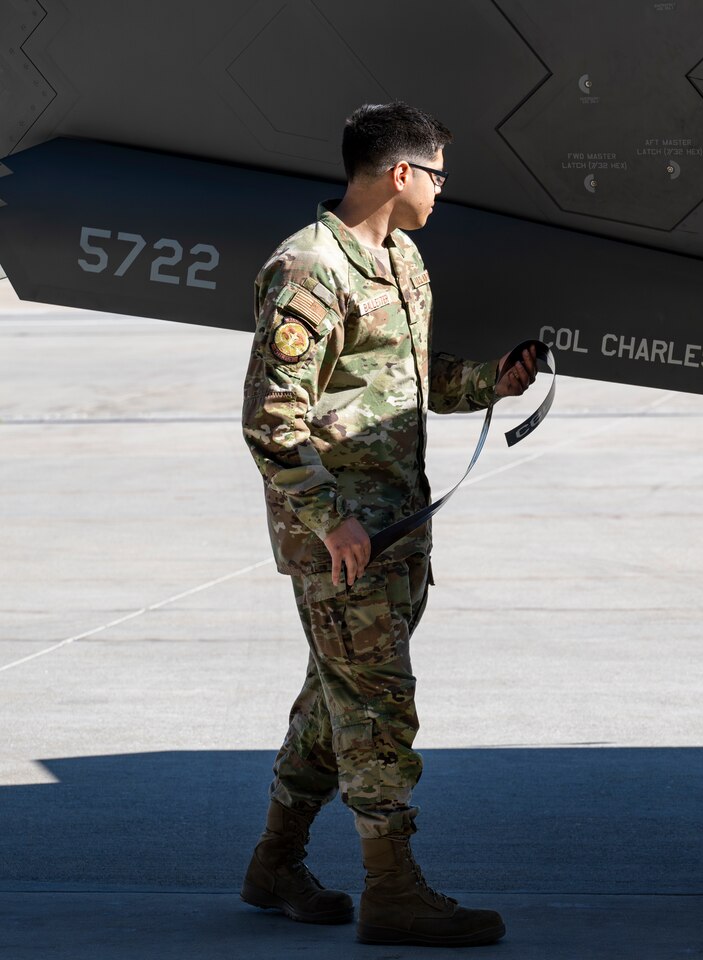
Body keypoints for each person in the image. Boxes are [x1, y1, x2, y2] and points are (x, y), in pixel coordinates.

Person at [239, 100, 536, 947]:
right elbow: (272, 419)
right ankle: (393, 890)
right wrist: (332, 521)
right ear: (401, 173)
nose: (443, 191)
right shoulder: (307, 271)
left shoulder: (401, 259)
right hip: (343, 543)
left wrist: (492, 384)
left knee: (333, 707)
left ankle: (275, 864)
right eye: (438, 174)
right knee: (377, 710)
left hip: (396, 530)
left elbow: (404, 383)